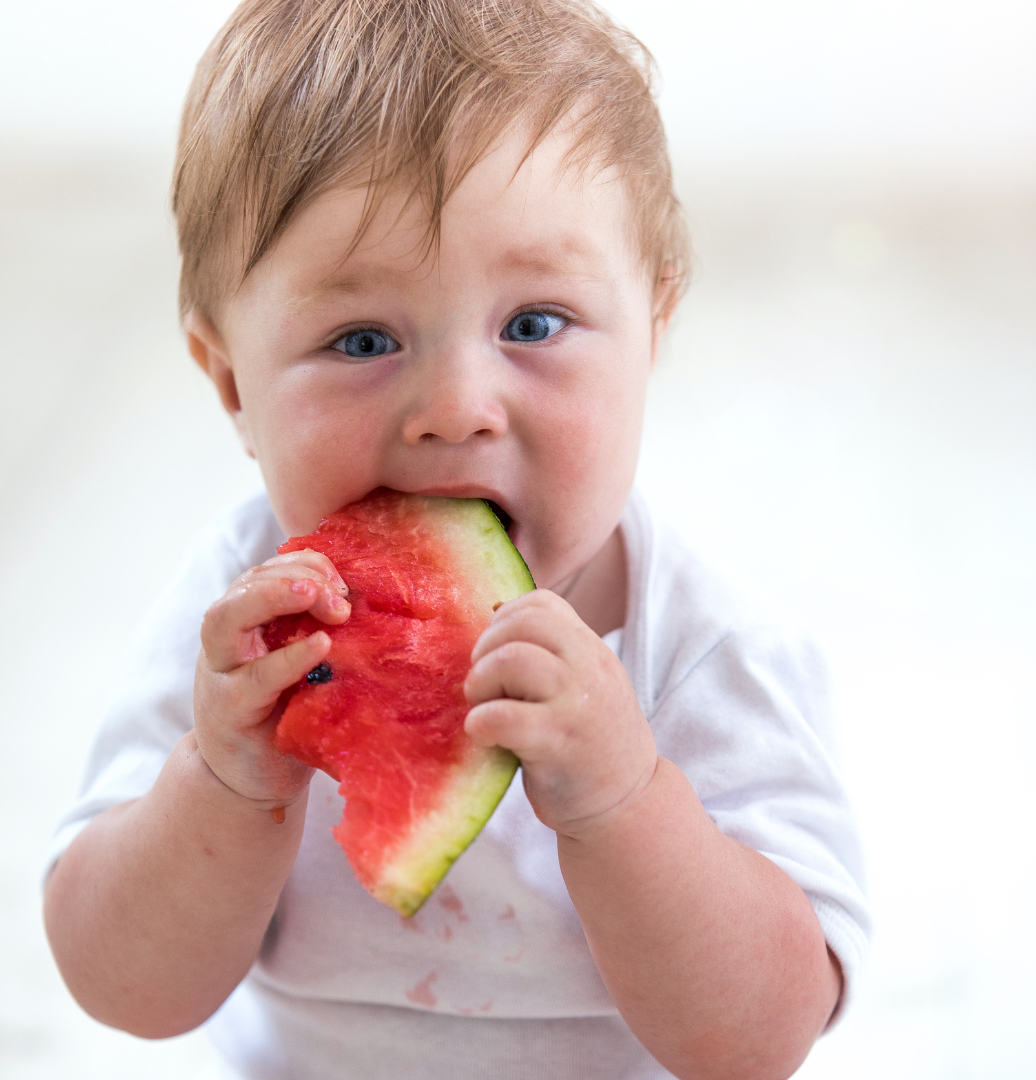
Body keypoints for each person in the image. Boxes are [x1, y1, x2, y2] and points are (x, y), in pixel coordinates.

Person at [43, 1, 870, 1077]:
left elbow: (762, 1035)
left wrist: (623, 797)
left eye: (533, 324)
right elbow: (125, 987)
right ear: (233, 385)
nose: (457, 407)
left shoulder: (707, 647)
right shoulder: (245, 627)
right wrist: (224, 779)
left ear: (654, 328)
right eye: (363, 338)